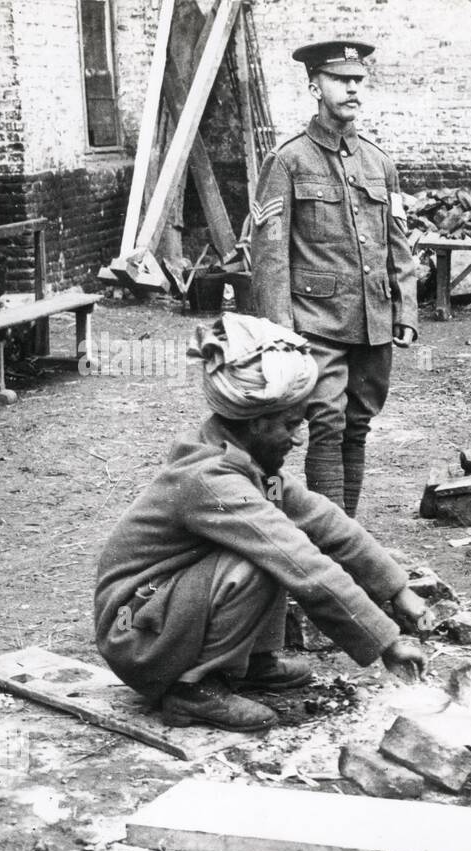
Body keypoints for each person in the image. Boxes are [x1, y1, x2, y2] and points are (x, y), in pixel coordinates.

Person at [93, 314, 429, 732]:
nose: (298, 437)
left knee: (270, 543)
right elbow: (300, 559)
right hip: (133, 630)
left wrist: (396, 590)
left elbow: (325, 522)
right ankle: (193, 691)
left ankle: (252, 663)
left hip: (156, 613)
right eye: (290, 424)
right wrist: (387, 641)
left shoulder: (244, 460)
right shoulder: (211, 480)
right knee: (265, 558)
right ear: (255, 422)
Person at [250, 38, 418, 517]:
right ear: (313, 87)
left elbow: (397, 240)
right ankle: (328, 541)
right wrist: (281, 332)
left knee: (358, 423)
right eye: (340, 80)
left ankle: (346, 530)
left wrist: (405, 307)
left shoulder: (379, 162)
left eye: (358, 81)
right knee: (326, 420)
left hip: (373, 318)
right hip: (315, 321)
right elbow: (270, 255)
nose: (352, 89)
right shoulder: (288, 160)